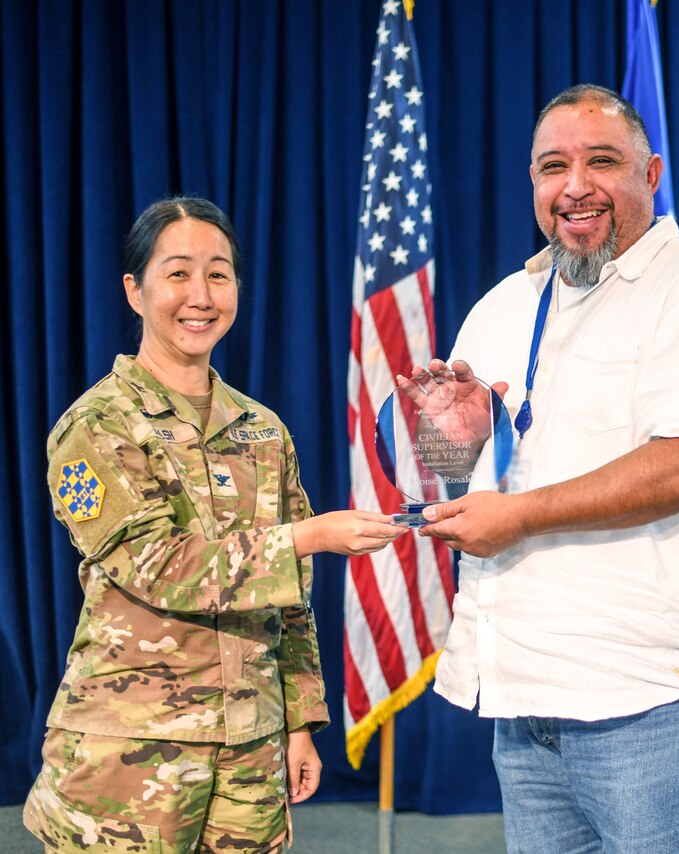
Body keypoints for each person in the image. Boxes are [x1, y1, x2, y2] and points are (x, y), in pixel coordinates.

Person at [410, 84, 679, 853]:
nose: (574, 186)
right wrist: (453, 444)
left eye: (600, 161)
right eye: (553, 167)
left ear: (651, 174)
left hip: (654, 698)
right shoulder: (503, 305)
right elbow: (452, 471)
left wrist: (521, 514)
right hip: (526, 694)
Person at [23, 197, 402, 852]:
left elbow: (291, 600)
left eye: (218, 274)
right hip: (130, 757)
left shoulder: (261, 428)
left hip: (249, 756)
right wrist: (308, 536)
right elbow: (160, 568)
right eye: (177, 273)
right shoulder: (97, 424)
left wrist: (298, 721)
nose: (200, 296)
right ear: (134, 291)